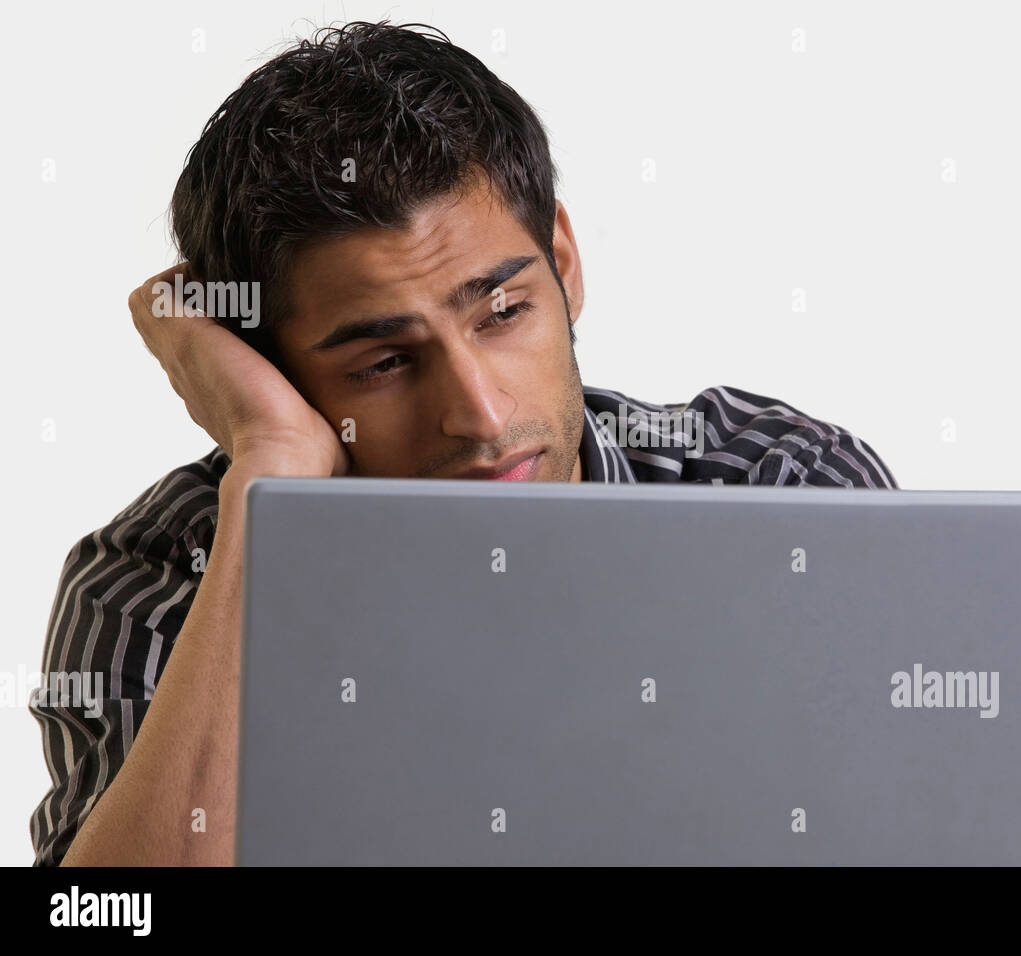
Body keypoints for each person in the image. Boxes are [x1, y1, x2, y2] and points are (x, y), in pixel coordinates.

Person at [30, 20, 897, 866]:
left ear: (563, 260)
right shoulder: (159, 580)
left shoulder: (783, 494)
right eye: (384, 362)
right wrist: (271, 480)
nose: (478, 415)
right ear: (276, 374)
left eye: (504, 312)